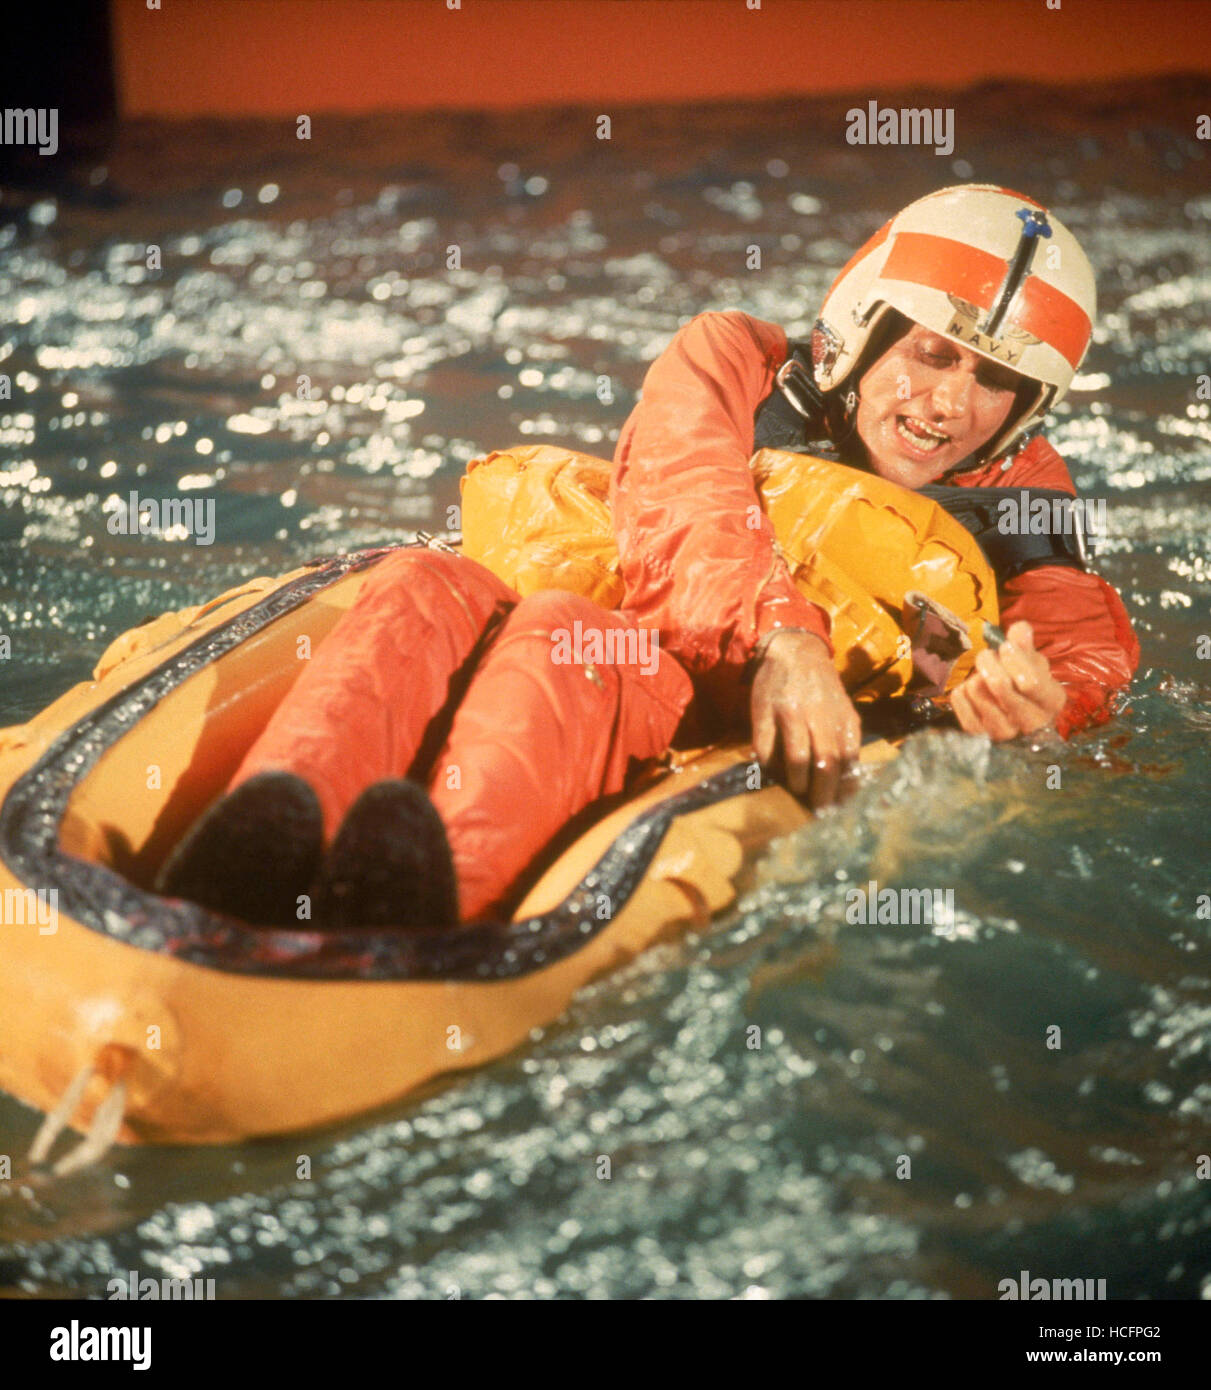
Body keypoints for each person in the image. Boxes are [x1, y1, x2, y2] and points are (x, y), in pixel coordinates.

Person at [158, 184, 1137, 930]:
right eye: (930, 354)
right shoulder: (733, 358)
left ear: (1026, 406)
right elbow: (683, 497)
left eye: (995, 381)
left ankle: (415, 917)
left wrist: (1050, 712)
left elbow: (1081, 639)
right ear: (859, 333)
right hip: (691, 643)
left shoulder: (1023, 488)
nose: (948, 405)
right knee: (425, 579)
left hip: (639, 692)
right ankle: (255, 845)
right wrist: (786, 645)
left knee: (563, 634)